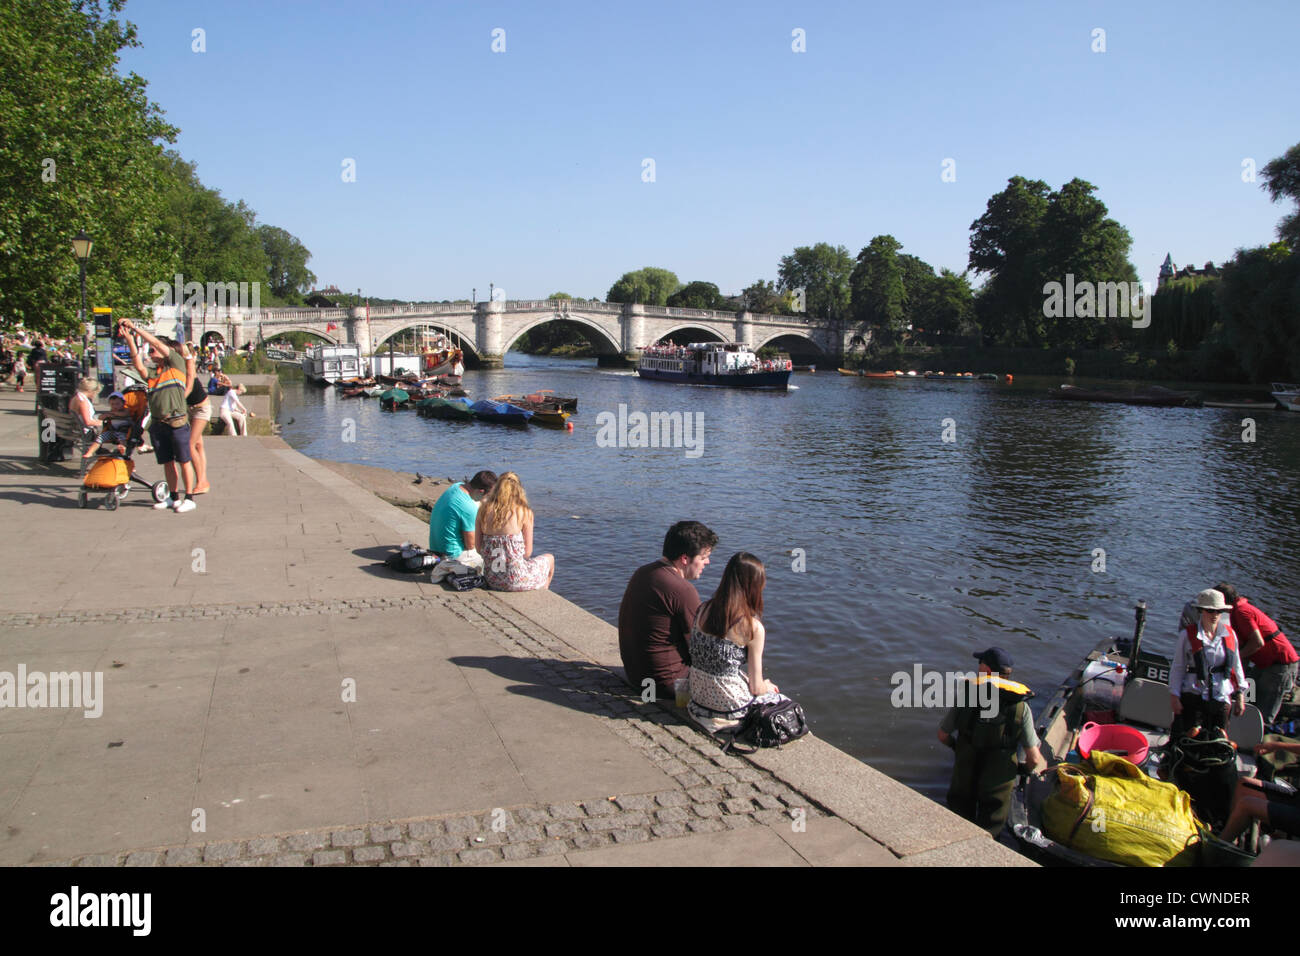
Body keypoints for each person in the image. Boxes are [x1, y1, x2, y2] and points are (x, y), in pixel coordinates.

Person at [939, 647, 1046, 837]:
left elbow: (942, 735)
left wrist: (957, 748)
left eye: (980, 663)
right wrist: (1023, 770)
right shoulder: (1021, 707)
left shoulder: (968, 696)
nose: (977, 666)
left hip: (964, 776)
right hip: (998, 784)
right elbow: (1035, 758)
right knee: (989, 832)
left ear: (987, 670)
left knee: (955, 823)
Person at [685, 552, 787, 733]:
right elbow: (756, 687)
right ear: (755, 586)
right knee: (783, 702)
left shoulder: (703, 609)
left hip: (697, 699)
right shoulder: (752, 627)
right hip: (728, 706)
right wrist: (767, 686)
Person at [617, 520, 717, 702]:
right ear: (685, 559)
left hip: (636, 676)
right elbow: (700, 649)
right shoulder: (682, 590)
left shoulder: (643, 572)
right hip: (667, 686)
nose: (707, 562)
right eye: (703, 558)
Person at [120, 318, 198, 513]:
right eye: (150, 351)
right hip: (158, 423)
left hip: (177, 422)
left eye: (153, 351)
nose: (151, 353)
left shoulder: (176, 365)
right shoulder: (153, 372)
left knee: (183, 460)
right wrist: (129, 339)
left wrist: (135, 328)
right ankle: (173, 497)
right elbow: (138, 365)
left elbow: (155, 343)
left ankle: (189, 497)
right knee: (167, 462)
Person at [1217, 582, 1298, 725]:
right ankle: (1237, 732)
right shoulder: (1236, 612)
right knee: (1248, 698)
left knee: (1263, 714)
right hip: (1264, 664)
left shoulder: (1242, 612)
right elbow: (1246, 647)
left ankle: (1258, 742)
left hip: (1280, 664)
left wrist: (1234, 659)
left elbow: (1257, 642)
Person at [1171, 588, 1247, 738]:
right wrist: (1174, 696)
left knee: (1218, 740)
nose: (1215, 615)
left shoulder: (1230, 635)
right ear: (1201, 611)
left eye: (1219, 611)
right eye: (1210, 611)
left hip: (1221, 696)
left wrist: (1240, 696)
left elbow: (1237, 667)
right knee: (1188, 739)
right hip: (1193, 694)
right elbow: (1178, 667)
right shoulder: (1186, 636)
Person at [475, 472, 554, 591]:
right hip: (516, 580)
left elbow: (478, 547)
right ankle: (544, 590)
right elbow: (527, 553)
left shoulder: (483, 510)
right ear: (519, 490)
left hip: (492, 579)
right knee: (550, 558)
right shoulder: (524, 512)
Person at [428, 470, 497, 568]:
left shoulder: (457, 486)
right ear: (481, 491)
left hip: (436, 547)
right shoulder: (468, 507)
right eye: (488, 495)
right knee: (494, 558)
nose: (487, 498)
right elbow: (471, 545)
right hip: (451, 555)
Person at [185, 347, 212, 494]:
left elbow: (188, 390)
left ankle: (201, 482)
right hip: (191, 409)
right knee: (199, 445)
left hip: (201, 408)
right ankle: (203, 479)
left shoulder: (188, 368)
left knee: (190, 444)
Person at [70, 377, 102, 478]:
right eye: (95, 392)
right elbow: (88, 422)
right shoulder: (83, 401)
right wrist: (103, 422)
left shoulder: (76, 397)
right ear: (90, 391)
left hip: (78, 430)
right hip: (87, 433)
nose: (95, 394)